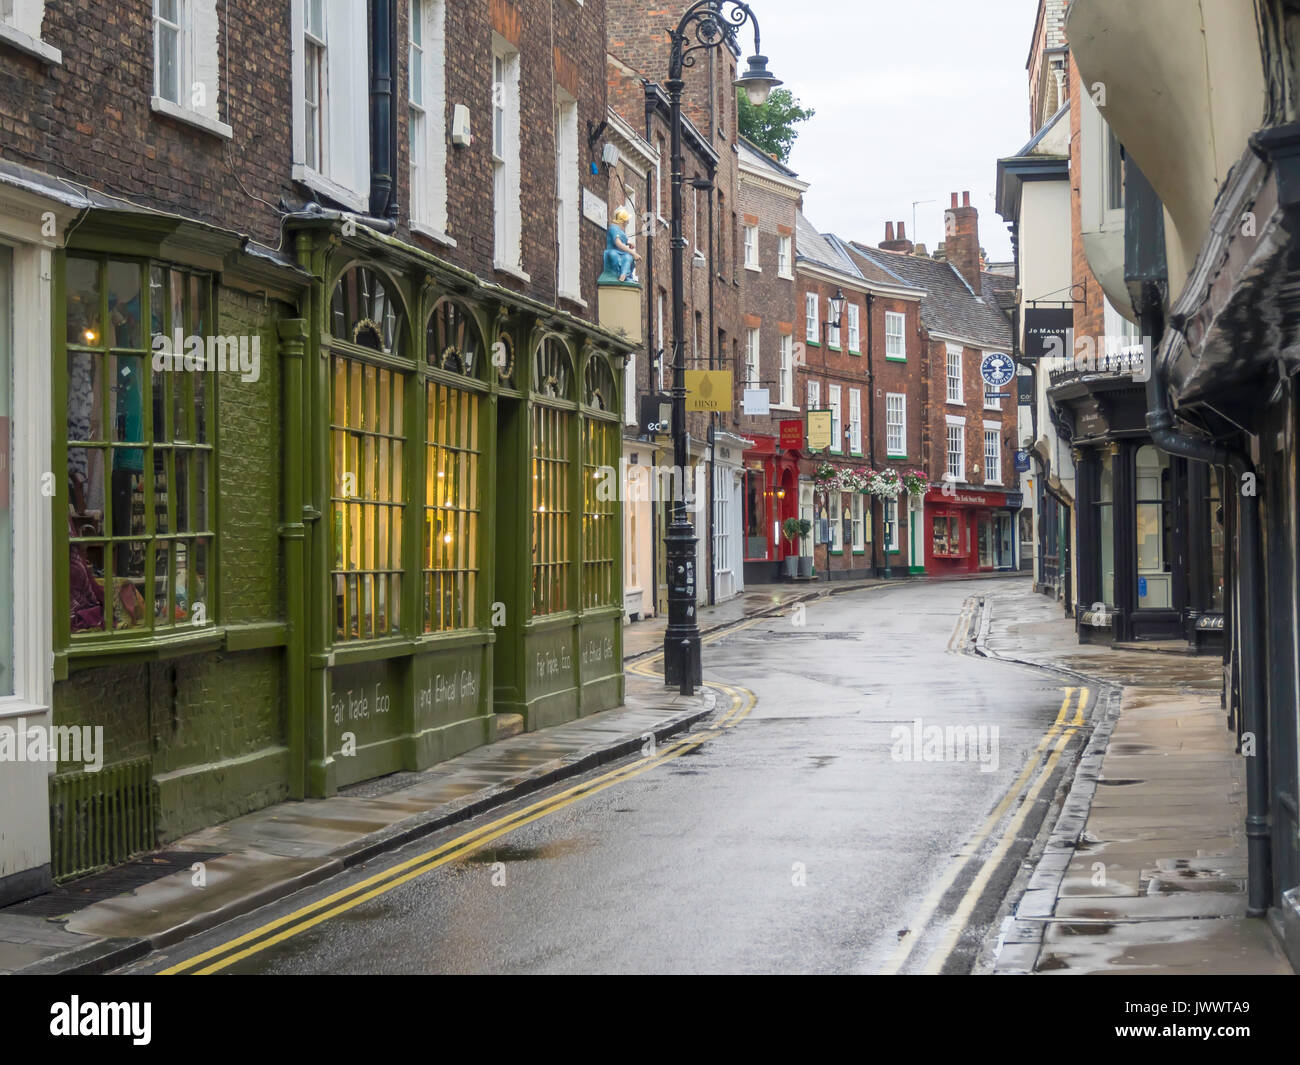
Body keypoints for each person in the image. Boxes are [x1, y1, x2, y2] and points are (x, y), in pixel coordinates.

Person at [603, 207, 640, 283]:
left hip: (621, 252)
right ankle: (623, 275)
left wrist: (628, 243)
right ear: (622, 221)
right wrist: (633, 252)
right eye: (626, 220)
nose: (627, 222)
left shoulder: (619, 230)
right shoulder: (613, 228)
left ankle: (624, 274)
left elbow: (621, 240)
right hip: (614, 251)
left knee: (628, 257)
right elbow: (618, 243)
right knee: (628, 256)